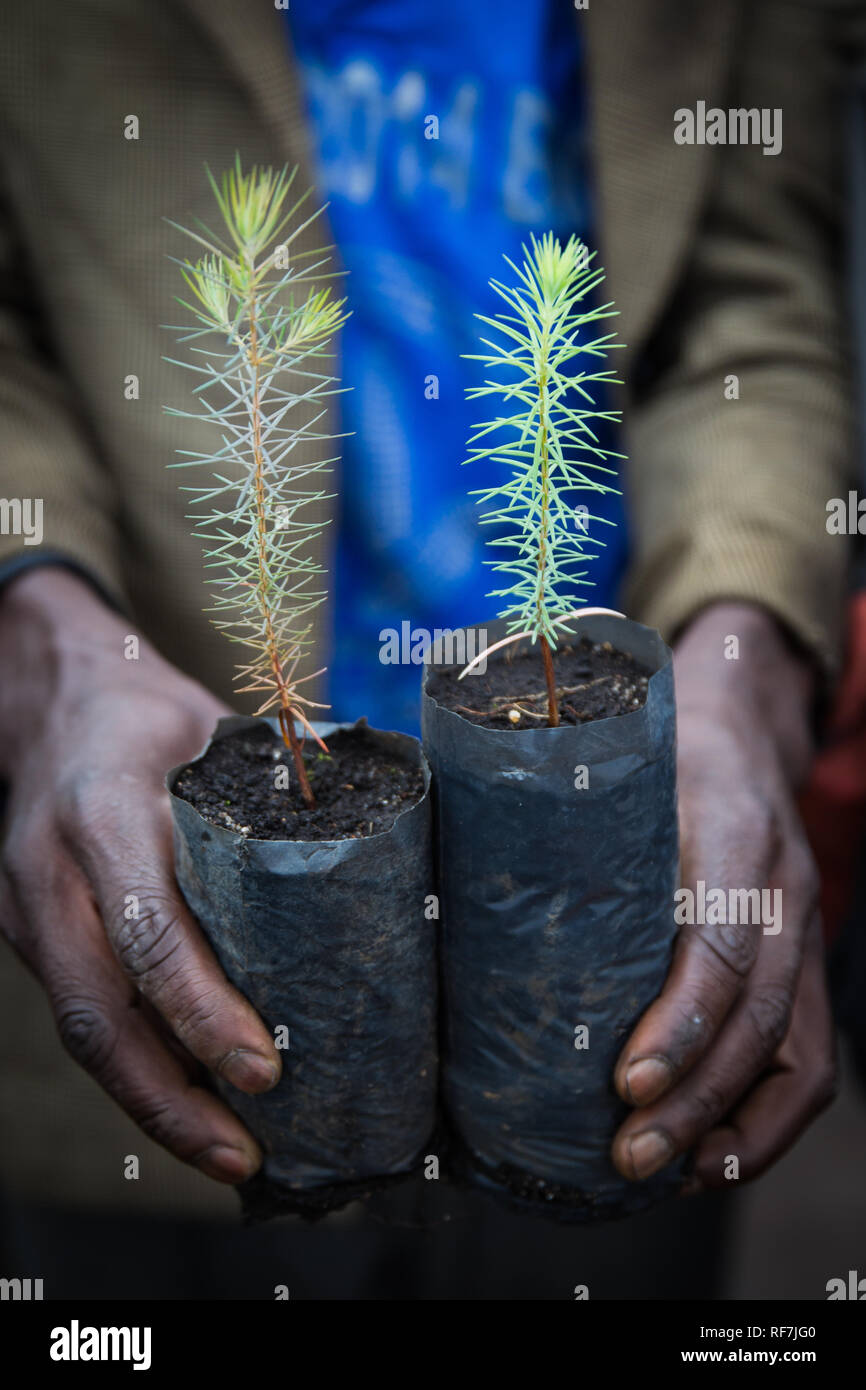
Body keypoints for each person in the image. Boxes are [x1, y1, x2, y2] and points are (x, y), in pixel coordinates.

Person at [0, 0, 851, 1297]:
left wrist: (743, 682)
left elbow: (754, 306)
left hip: (602, 948)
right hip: (153, 973)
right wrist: (42, 636)